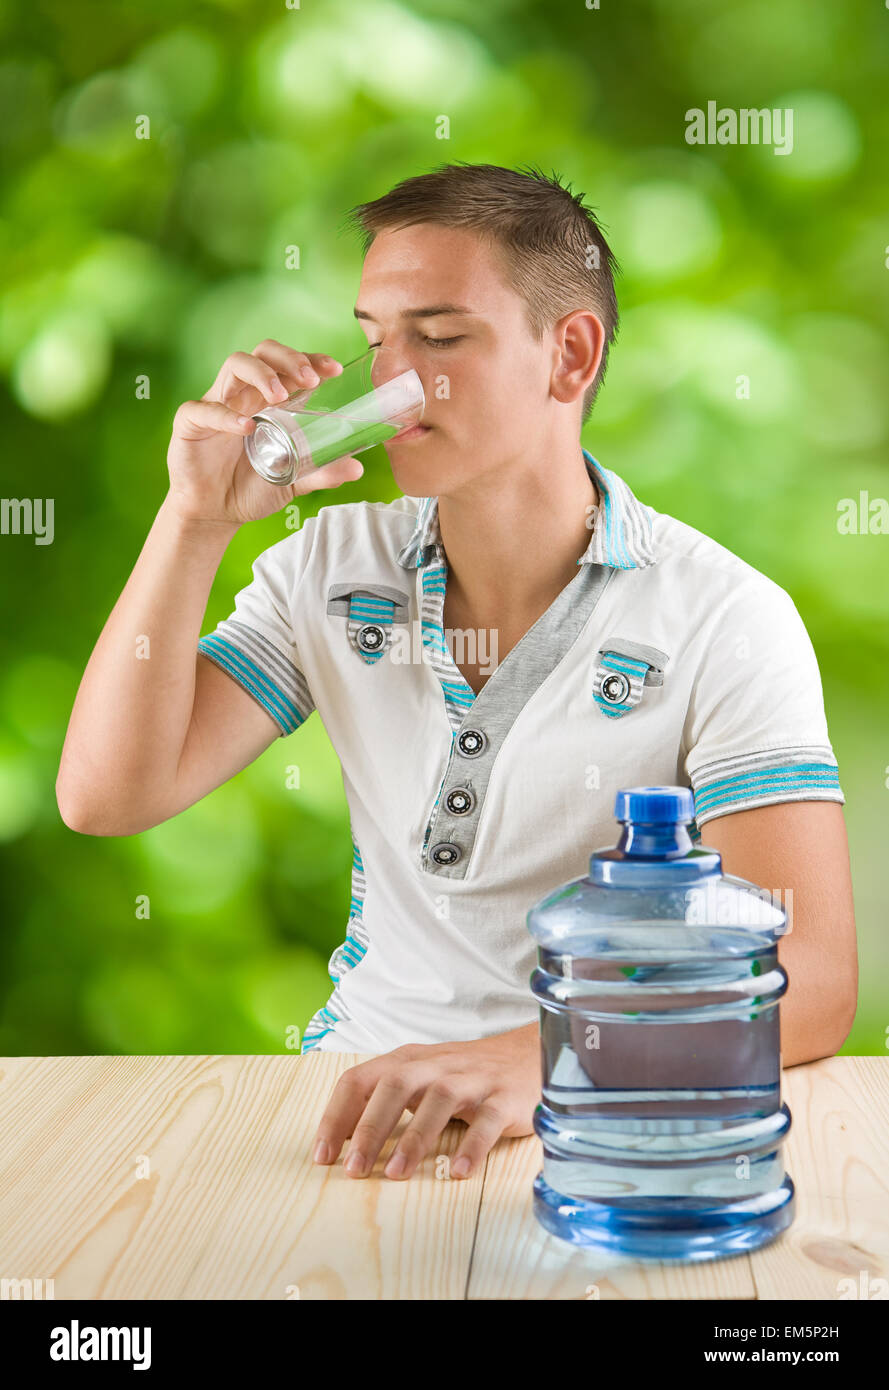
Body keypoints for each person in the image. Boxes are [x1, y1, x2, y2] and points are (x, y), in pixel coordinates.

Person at [56, 162, 857, 1186]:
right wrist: (194, 522)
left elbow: (815, 982)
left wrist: (542, 1060)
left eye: (437, 337)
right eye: (376, 336)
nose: (389, 383)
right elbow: (105, 794)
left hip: (600, 1120)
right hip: (356, 1116)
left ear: (568, 355)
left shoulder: (725, 618)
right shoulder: (328, 570)